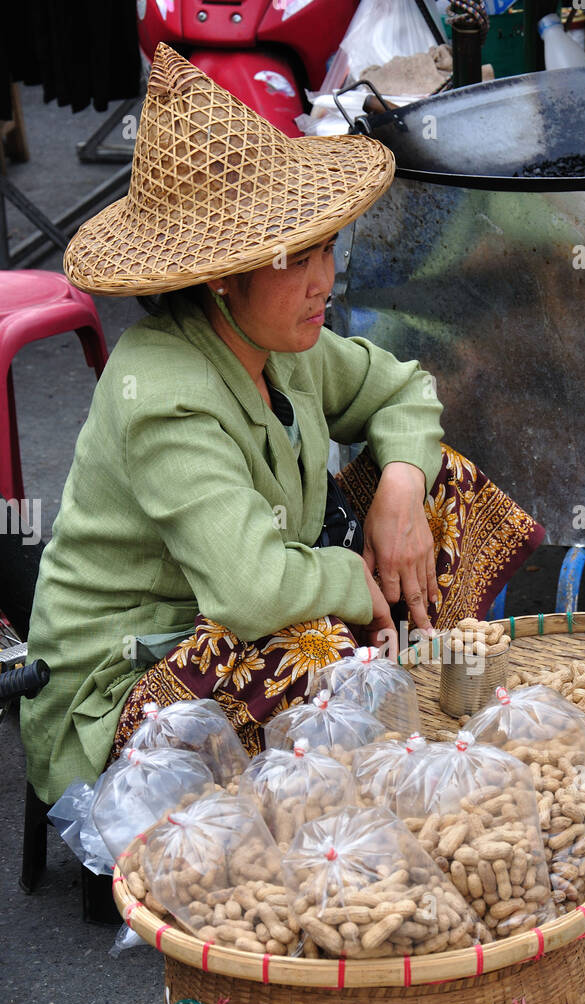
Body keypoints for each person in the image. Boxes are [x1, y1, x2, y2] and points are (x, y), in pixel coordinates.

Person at [22, 44, 544, 808]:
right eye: (295, 259)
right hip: (126, 686)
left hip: (245, 618)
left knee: (444, 487)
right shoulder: (161, 393)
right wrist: (353, 580)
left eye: (326, 250)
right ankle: (344, 783)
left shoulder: (281, 343)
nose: (323, 282)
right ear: (223, 276)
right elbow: (252, 592)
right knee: (315, 647)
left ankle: (405, 706)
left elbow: (401, 388)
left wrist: (399, 488)